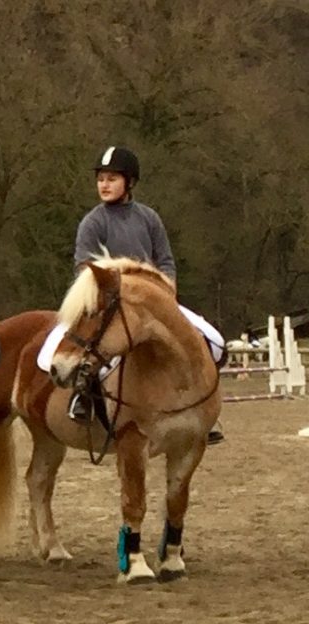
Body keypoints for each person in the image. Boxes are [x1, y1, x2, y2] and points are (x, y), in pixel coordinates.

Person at [69, 145, 225, 444]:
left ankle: (206, 409)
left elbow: (165, 261)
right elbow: (84, 269)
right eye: (100, 179)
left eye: (112, 179)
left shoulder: (149, 218)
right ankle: (82, 397)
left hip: (154, 305)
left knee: (213, 342)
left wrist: (166, 292)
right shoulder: (93, 222)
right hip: (109, 307)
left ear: (129, 182)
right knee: (84, 349)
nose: (104, 185)